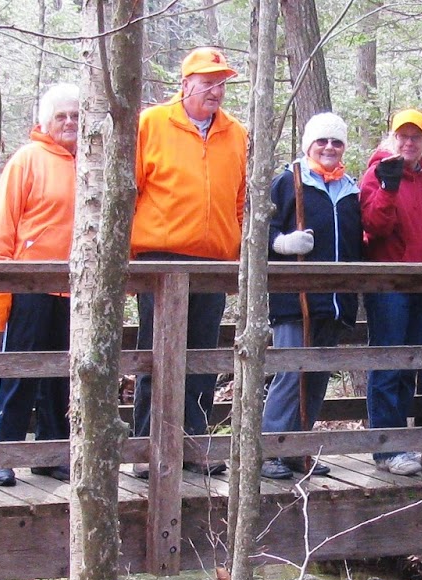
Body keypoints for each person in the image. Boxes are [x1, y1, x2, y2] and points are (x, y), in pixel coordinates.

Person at [128, 46, 247, 476]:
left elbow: (239, 200)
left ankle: (193, 446)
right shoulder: (151, 124)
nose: (216, 90)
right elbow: (130, 191)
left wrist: (234, 249)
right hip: (160, 259)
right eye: (208, 81)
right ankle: (148, 450)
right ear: (186, 84)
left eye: (222, 83)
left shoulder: (235, 133)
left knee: (202, 357)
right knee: (155, 355)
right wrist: (128, 255)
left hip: (213, 262)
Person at [0, 82, 79, 487]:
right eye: (61, 116)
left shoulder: (90, 162)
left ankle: (52, 455)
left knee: (62, 378)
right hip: (29, 285)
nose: (69, 122)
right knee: (19, 372)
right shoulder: (27, 159)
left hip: (76, 290)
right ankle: (2, 453)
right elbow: (1, 227)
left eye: (75, 115)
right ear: (45, 122)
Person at [260, 112, 360, 482]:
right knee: (290, 373)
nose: (329, 148)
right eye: (322, 141)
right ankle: (268, 449)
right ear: (308, 145)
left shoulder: (350, 188)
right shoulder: (288, 182)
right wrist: (281, 244)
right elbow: (259, 234)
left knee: (316, 376)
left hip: (335, 301)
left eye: (336, 142)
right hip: (294, 298)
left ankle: (296, 450)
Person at [360, 108, 422, 476]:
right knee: (388, 364)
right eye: (403, 135)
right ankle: (385, 449)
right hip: (389, 286)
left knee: (409, 365)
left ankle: (401, 445)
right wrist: (387, 188)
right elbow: (374, 227)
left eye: (415, 136)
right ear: (392, 138)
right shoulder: (378, 173)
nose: (408, 142)